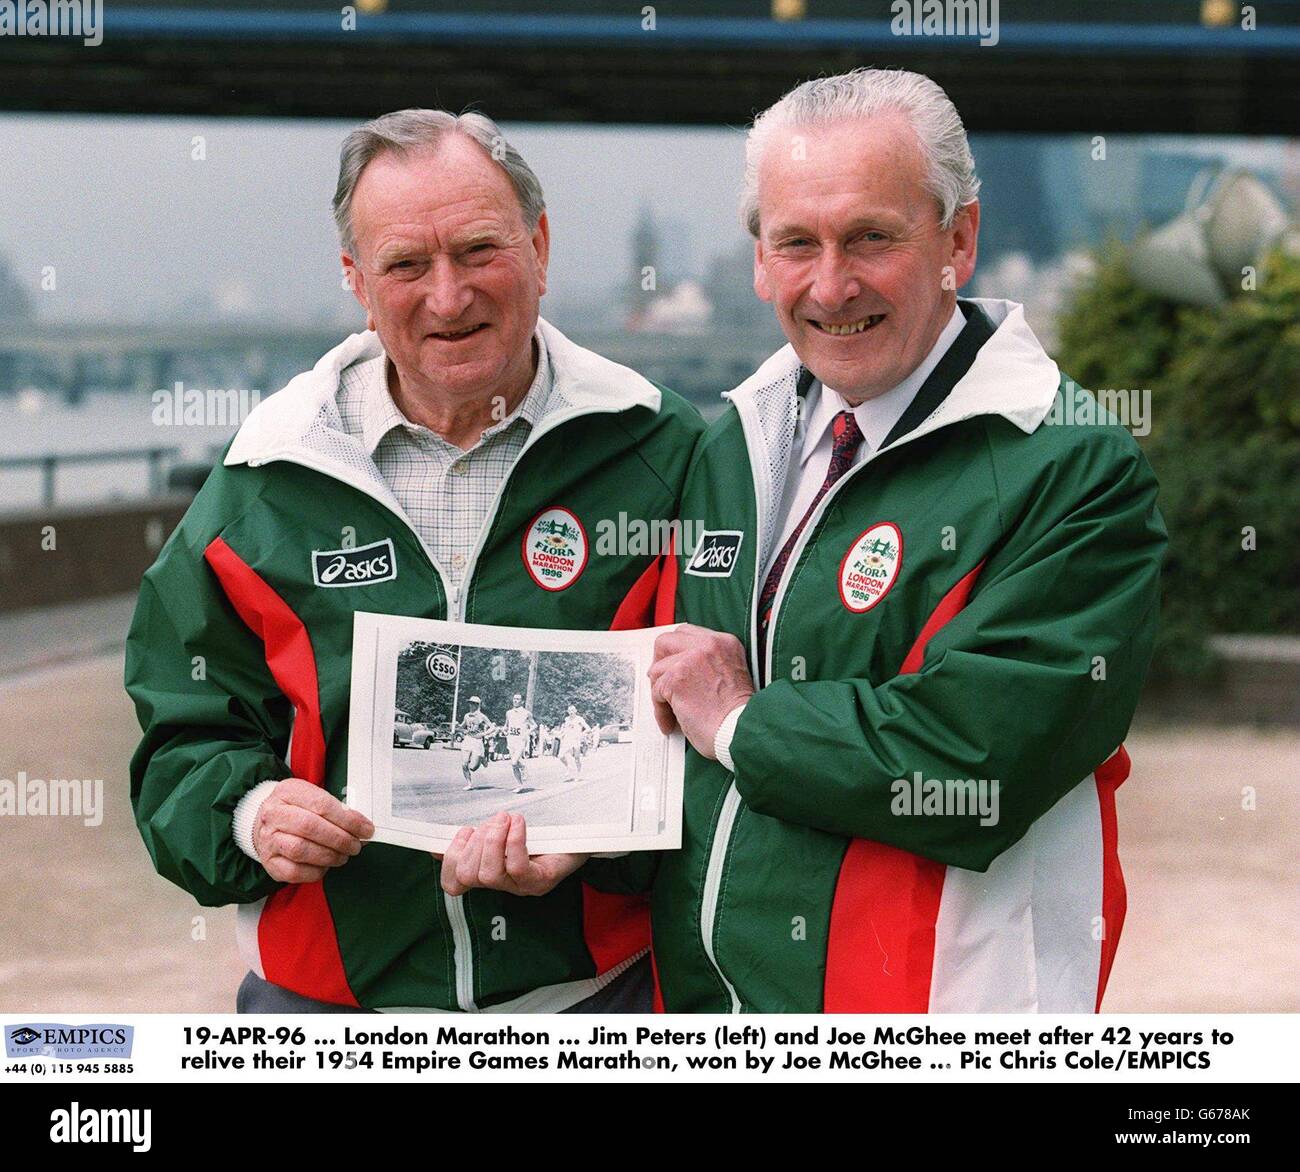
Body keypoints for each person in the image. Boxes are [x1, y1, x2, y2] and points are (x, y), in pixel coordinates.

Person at [125, 107, 703, 1013]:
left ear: (540, 247)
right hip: (324, 1021)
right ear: (356, 279)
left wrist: (599, 840)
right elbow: (181, 742)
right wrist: (248, 814)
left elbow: (722, 729)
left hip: (599, 1007)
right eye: (405, 264)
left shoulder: (663, 451)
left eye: (479, 250)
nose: (448, 296)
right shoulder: (265, 478)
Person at [642, 68, 1167, 1013]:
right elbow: (663, 719)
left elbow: (974, 765)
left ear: (958, 238)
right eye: (795, 242)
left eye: (873, 238)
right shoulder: (730, 444)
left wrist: (742, 722)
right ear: (758, 257)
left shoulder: (1071, 465)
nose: (831, 284)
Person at [457, 697, 496, 789]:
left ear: (477, 705)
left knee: (473, 768)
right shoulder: (466, 716)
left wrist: (484, 734)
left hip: (477, 742)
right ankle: (469, 784)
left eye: (473, 703)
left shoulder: (482, 716)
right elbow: (462, 727)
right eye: (470, 703)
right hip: (468, 739)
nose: (471, 705)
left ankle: (482, 758)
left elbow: (492, 727)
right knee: (464, 764)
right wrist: (459, 727)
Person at [503, 693, 535, 793]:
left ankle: (524, 768)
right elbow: (506, 724)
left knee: (514, 762)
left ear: (522, 701)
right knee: (514, 764)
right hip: (511, 739)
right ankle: (519, 785)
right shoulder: (508, 713)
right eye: (514, 699)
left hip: (520, 740)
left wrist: (527, 732)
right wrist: (504, 729)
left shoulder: (526, 713)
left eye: (518, 699)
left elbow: (534, 725)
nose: (515, 701)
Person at [557, 705, 592, 782]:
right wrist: (560, 734)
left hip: (576, 740)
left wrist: (582, 734)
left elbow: (588, 728)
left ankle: (578, 774)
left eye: (572, 710)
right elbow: (565, 729)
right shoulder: (566, 719)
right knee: (560, 756)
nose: (571, 712)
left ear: (576, 711)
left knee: (577, 758)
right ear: (567, 711)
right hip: (567, 739)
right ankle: (568, 767)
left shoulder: (579, 719)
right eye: (569, 711)